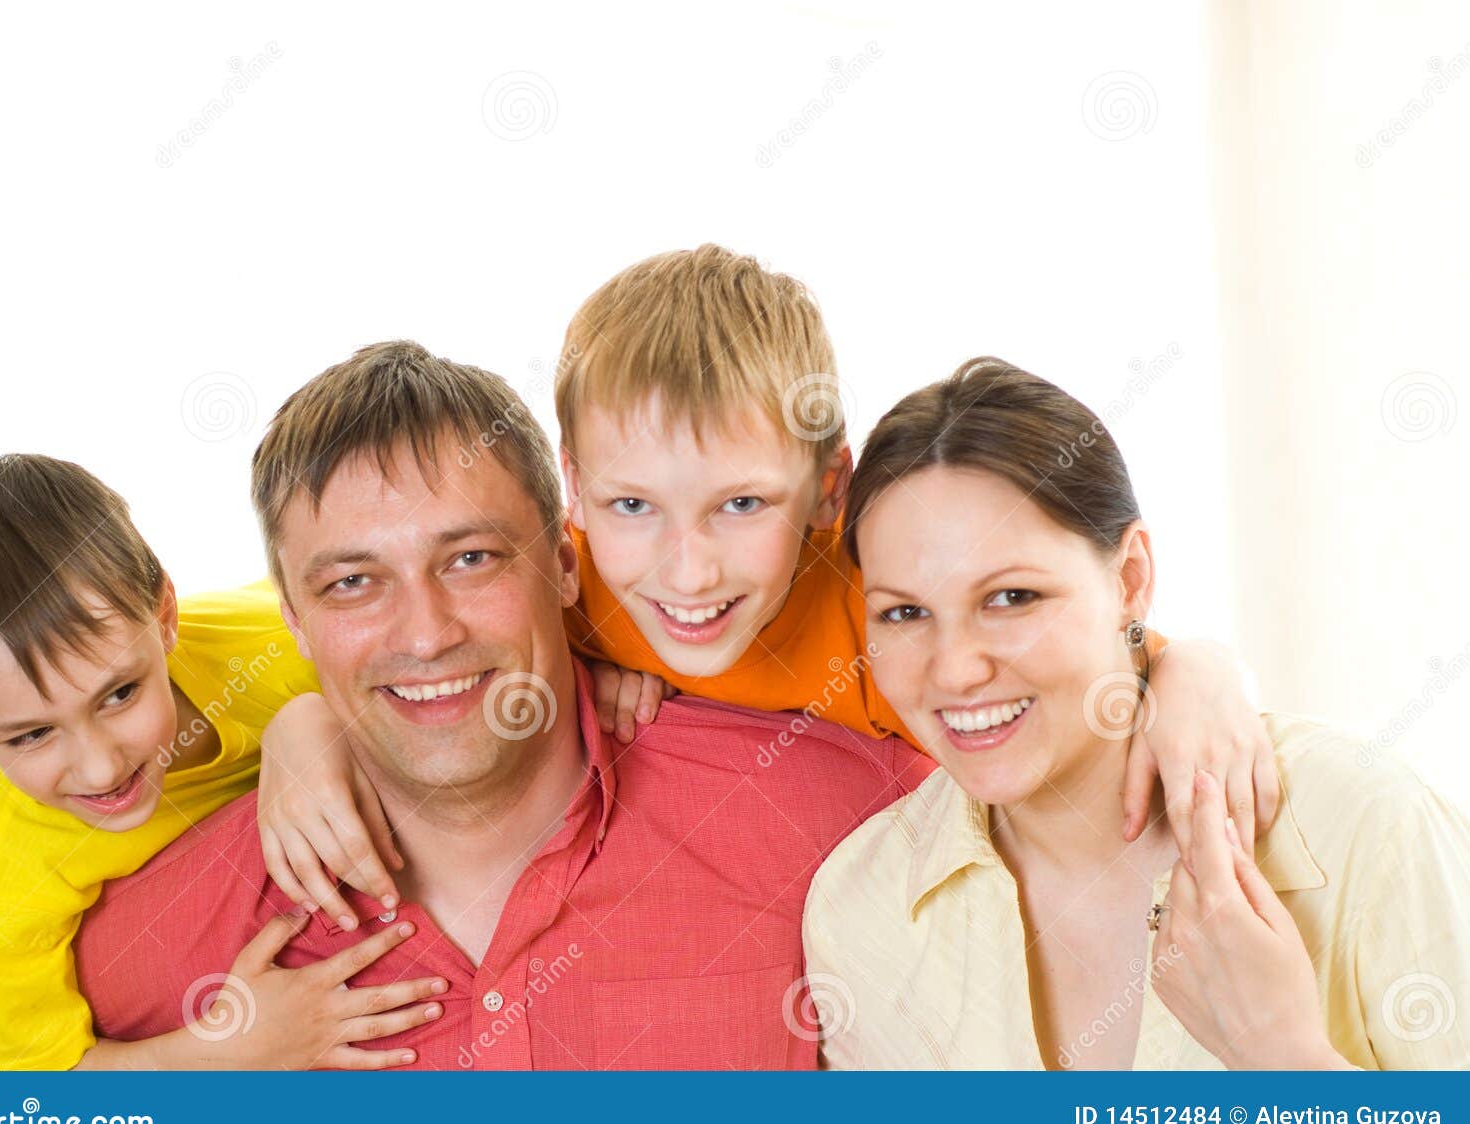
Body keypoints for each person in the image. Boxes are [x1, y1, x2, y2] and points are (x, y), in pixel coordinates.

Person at [0, 340, 932, 1070]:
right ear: (289, 616)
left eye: (470, 559)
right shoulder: (150, 940)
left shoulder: (840, 813)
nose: (424, 633)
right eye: (352, 584)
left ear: (560, 560)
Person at [259, 245, 1283, 925]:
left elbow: (1080, 655)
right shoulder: (554, 579)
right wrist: (301, 731)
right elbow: (360, 626)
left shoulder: (887, 620)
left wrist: (1199, 672)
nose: (686, 571)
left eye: (741, 506)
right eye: (631, 507)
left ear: (826, 489)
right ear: (576, 492)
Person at [802, 357, 1470, 1069]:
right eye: (905, 612)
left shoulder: (1367, 830)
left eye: (1012, 597)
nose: (957, 668)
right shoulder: (860, 912)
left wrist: (1284, 1057)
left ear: (1130, 578)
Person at [0, 455, 441, 1070]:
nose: (99, 768)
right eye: (33, 735)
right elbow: (47, 1090)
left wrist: (305, 722)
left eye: (119, 695)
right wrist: (231, 1051)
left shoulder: (268, 650)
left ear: (164, 617)